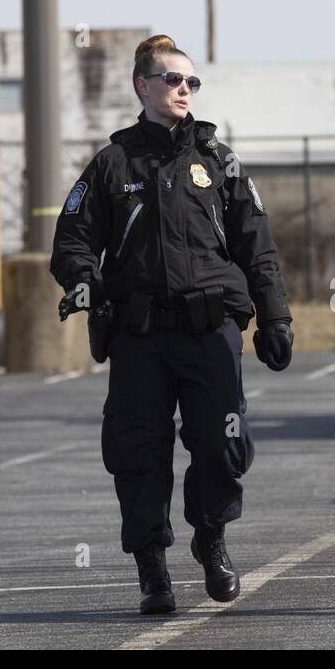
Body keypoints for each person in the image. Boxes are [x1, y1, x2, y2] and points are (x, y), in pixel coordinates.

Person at [51, 34, 294, 615]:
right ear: (142, 85)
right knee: (139, 452)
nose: (183, 90)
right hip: (138, 335)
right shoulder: (112, 165)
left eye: (191, 82)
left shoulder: (219, 160)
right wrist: (84, 280)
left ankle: (211, 537)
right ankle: (151, 566)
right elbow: (72, 239)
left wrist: (275, 317)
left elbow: (257, 246)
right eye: (171, 80)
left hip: (211, 332)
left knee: (220, 444)